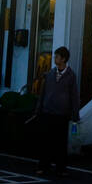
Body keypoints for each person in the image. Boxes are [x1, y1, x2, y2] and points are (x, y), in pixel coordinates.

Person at [33, 46, 80, 177]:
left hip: (62, 114)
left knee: (60, 142)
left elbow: (74, 96)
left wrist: (75, 114)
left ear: (64, 59)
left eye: (57, 56)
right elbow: (43, 93)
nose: (55, 58)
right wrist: (38, 109)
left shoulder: (71, 76)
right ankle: (43, 166)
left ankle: (61, 168)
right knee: (46, 141)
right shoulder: (49, 75)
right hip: (48, 112)